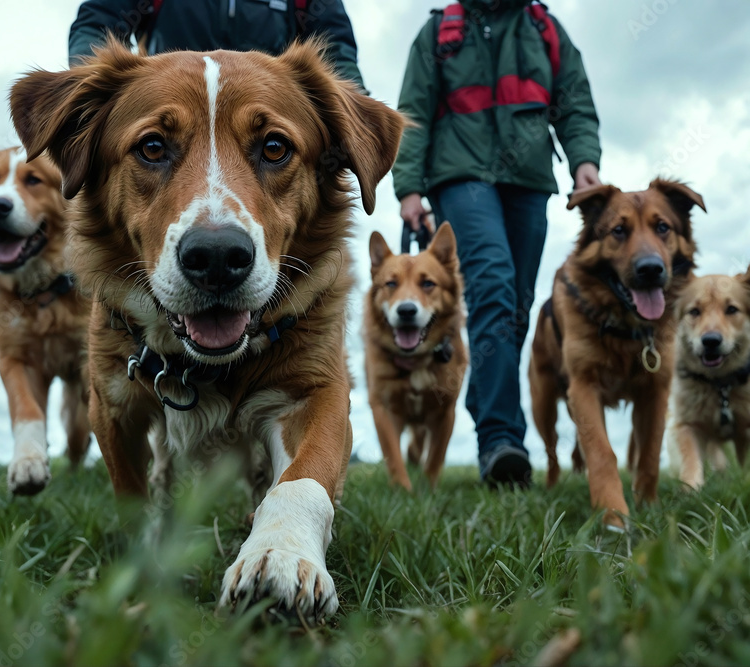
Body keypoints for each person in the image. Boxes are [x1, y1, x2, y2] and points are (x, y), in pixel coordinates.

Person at [391, 0, 601, 486]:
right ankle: (502, 442)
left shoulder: (545, 28)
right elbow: (413, 111)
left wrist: (584, 161)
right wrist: (409, 188)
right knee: (494, 285)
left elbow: (574, 102)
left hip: (529, 180)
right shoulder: (439, 31)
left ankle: (486, 401)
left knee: (518, 308)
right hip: (460, 177)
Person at [68, 0, 365, 89]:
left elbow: (334, 49)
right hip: (168, 106)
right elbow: (98, 24)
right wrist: (92, 83)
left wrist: (351, 102)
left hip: (267, 115)